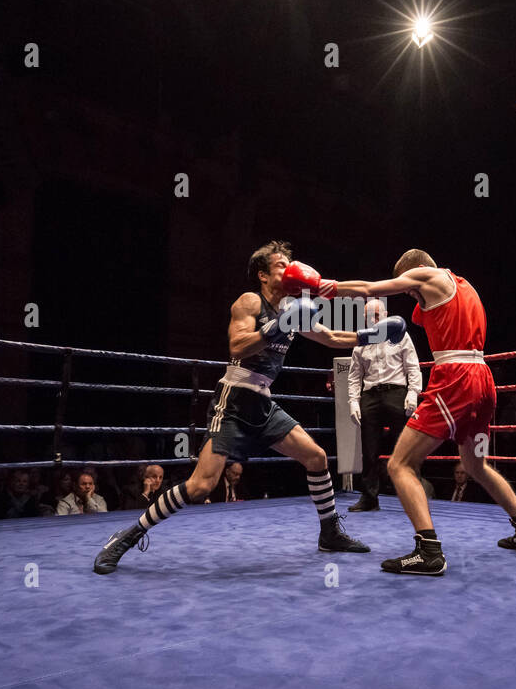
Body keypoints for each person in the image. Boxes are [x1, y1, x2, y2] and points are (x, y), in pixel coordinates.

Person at [92, 241, 383, 574]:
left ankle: (330, 533)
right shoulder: (250, 301)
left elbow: (330, 337)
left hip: (262, 402)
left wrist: (369, 336)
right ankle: (126, 537)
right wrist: (277, 326)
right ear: (262, 274)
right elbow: (237, 345)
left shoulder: (291, 306)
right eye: (279, 265)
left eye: (289, 263)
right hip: (233, 400)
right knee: (202, 485)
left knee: (316, 457)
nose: (287, 268)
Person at [329, 248, 516, 575]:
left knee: (400, 464)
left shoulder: (430, 275)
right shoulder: (464, 287)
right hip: (481, 379)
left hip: (455, 378)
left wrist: (325, 287)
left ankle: (428, 551)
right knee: (476, 464)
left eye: (409, 285)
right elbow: (421, 313)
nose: (411, 293)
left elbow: (370, 289)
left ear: (417, 270)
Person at [347, 297, 422, 512]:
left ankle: (414, 497)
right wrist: (353, 402)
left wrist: (413, 393)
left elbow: (413, 367)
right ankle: (369, 498)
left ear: (386, 316)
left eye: (377, 316)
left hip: (396, 393)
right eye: (370, 317)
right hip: (370, 396)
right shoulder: (361, 340)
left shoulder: (400, 335)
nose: (373, 320)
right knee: (369, 451)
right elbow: (354, 376)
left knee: (406, 447)